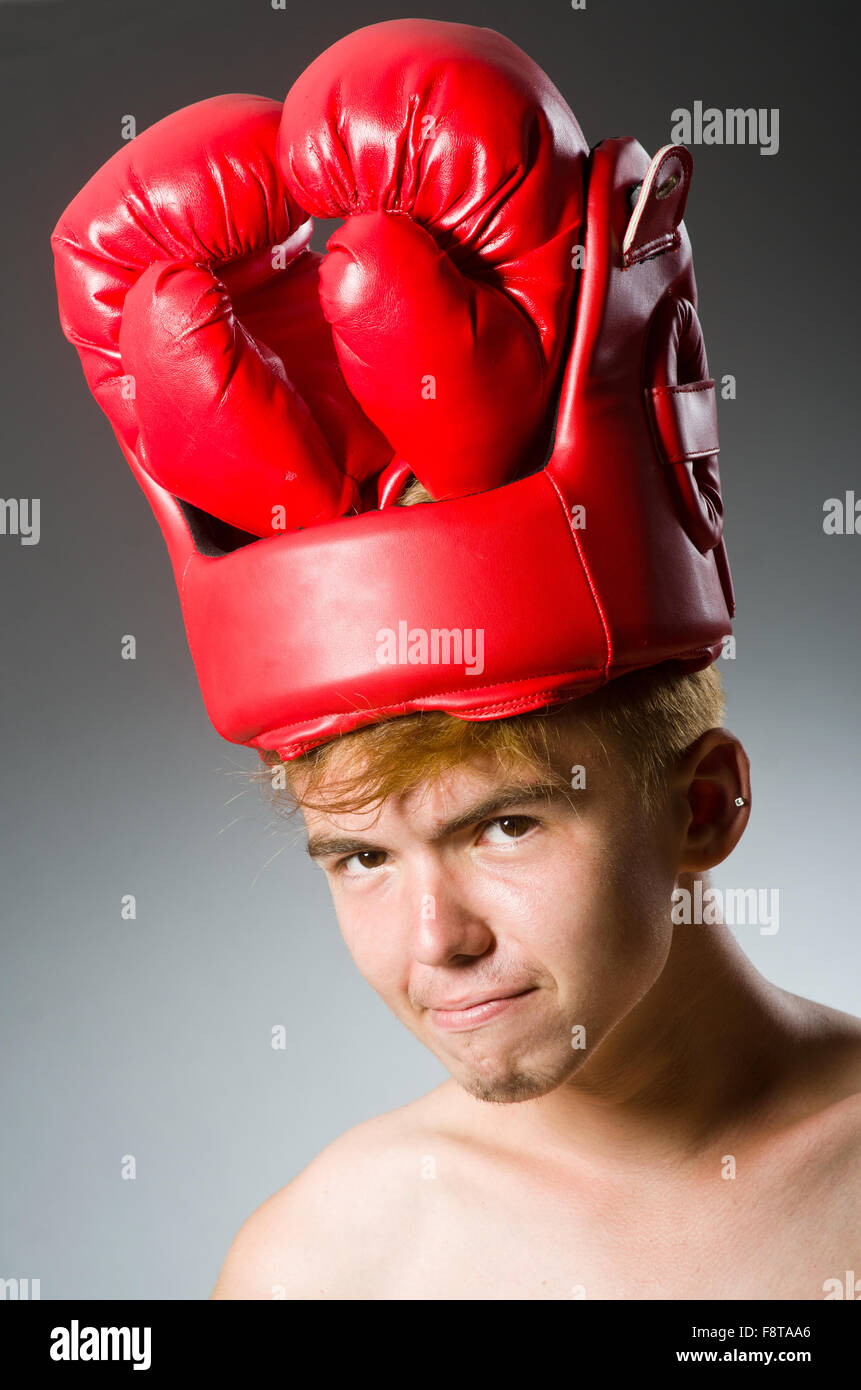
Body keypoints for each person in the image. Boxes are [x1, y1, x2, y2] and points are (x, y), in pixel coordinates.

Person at [210, 482, 861, 1301]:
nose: (435, 941)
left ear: (701, 810)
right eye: (364, 860)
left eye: (504, 828)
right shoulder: (319, 1266)